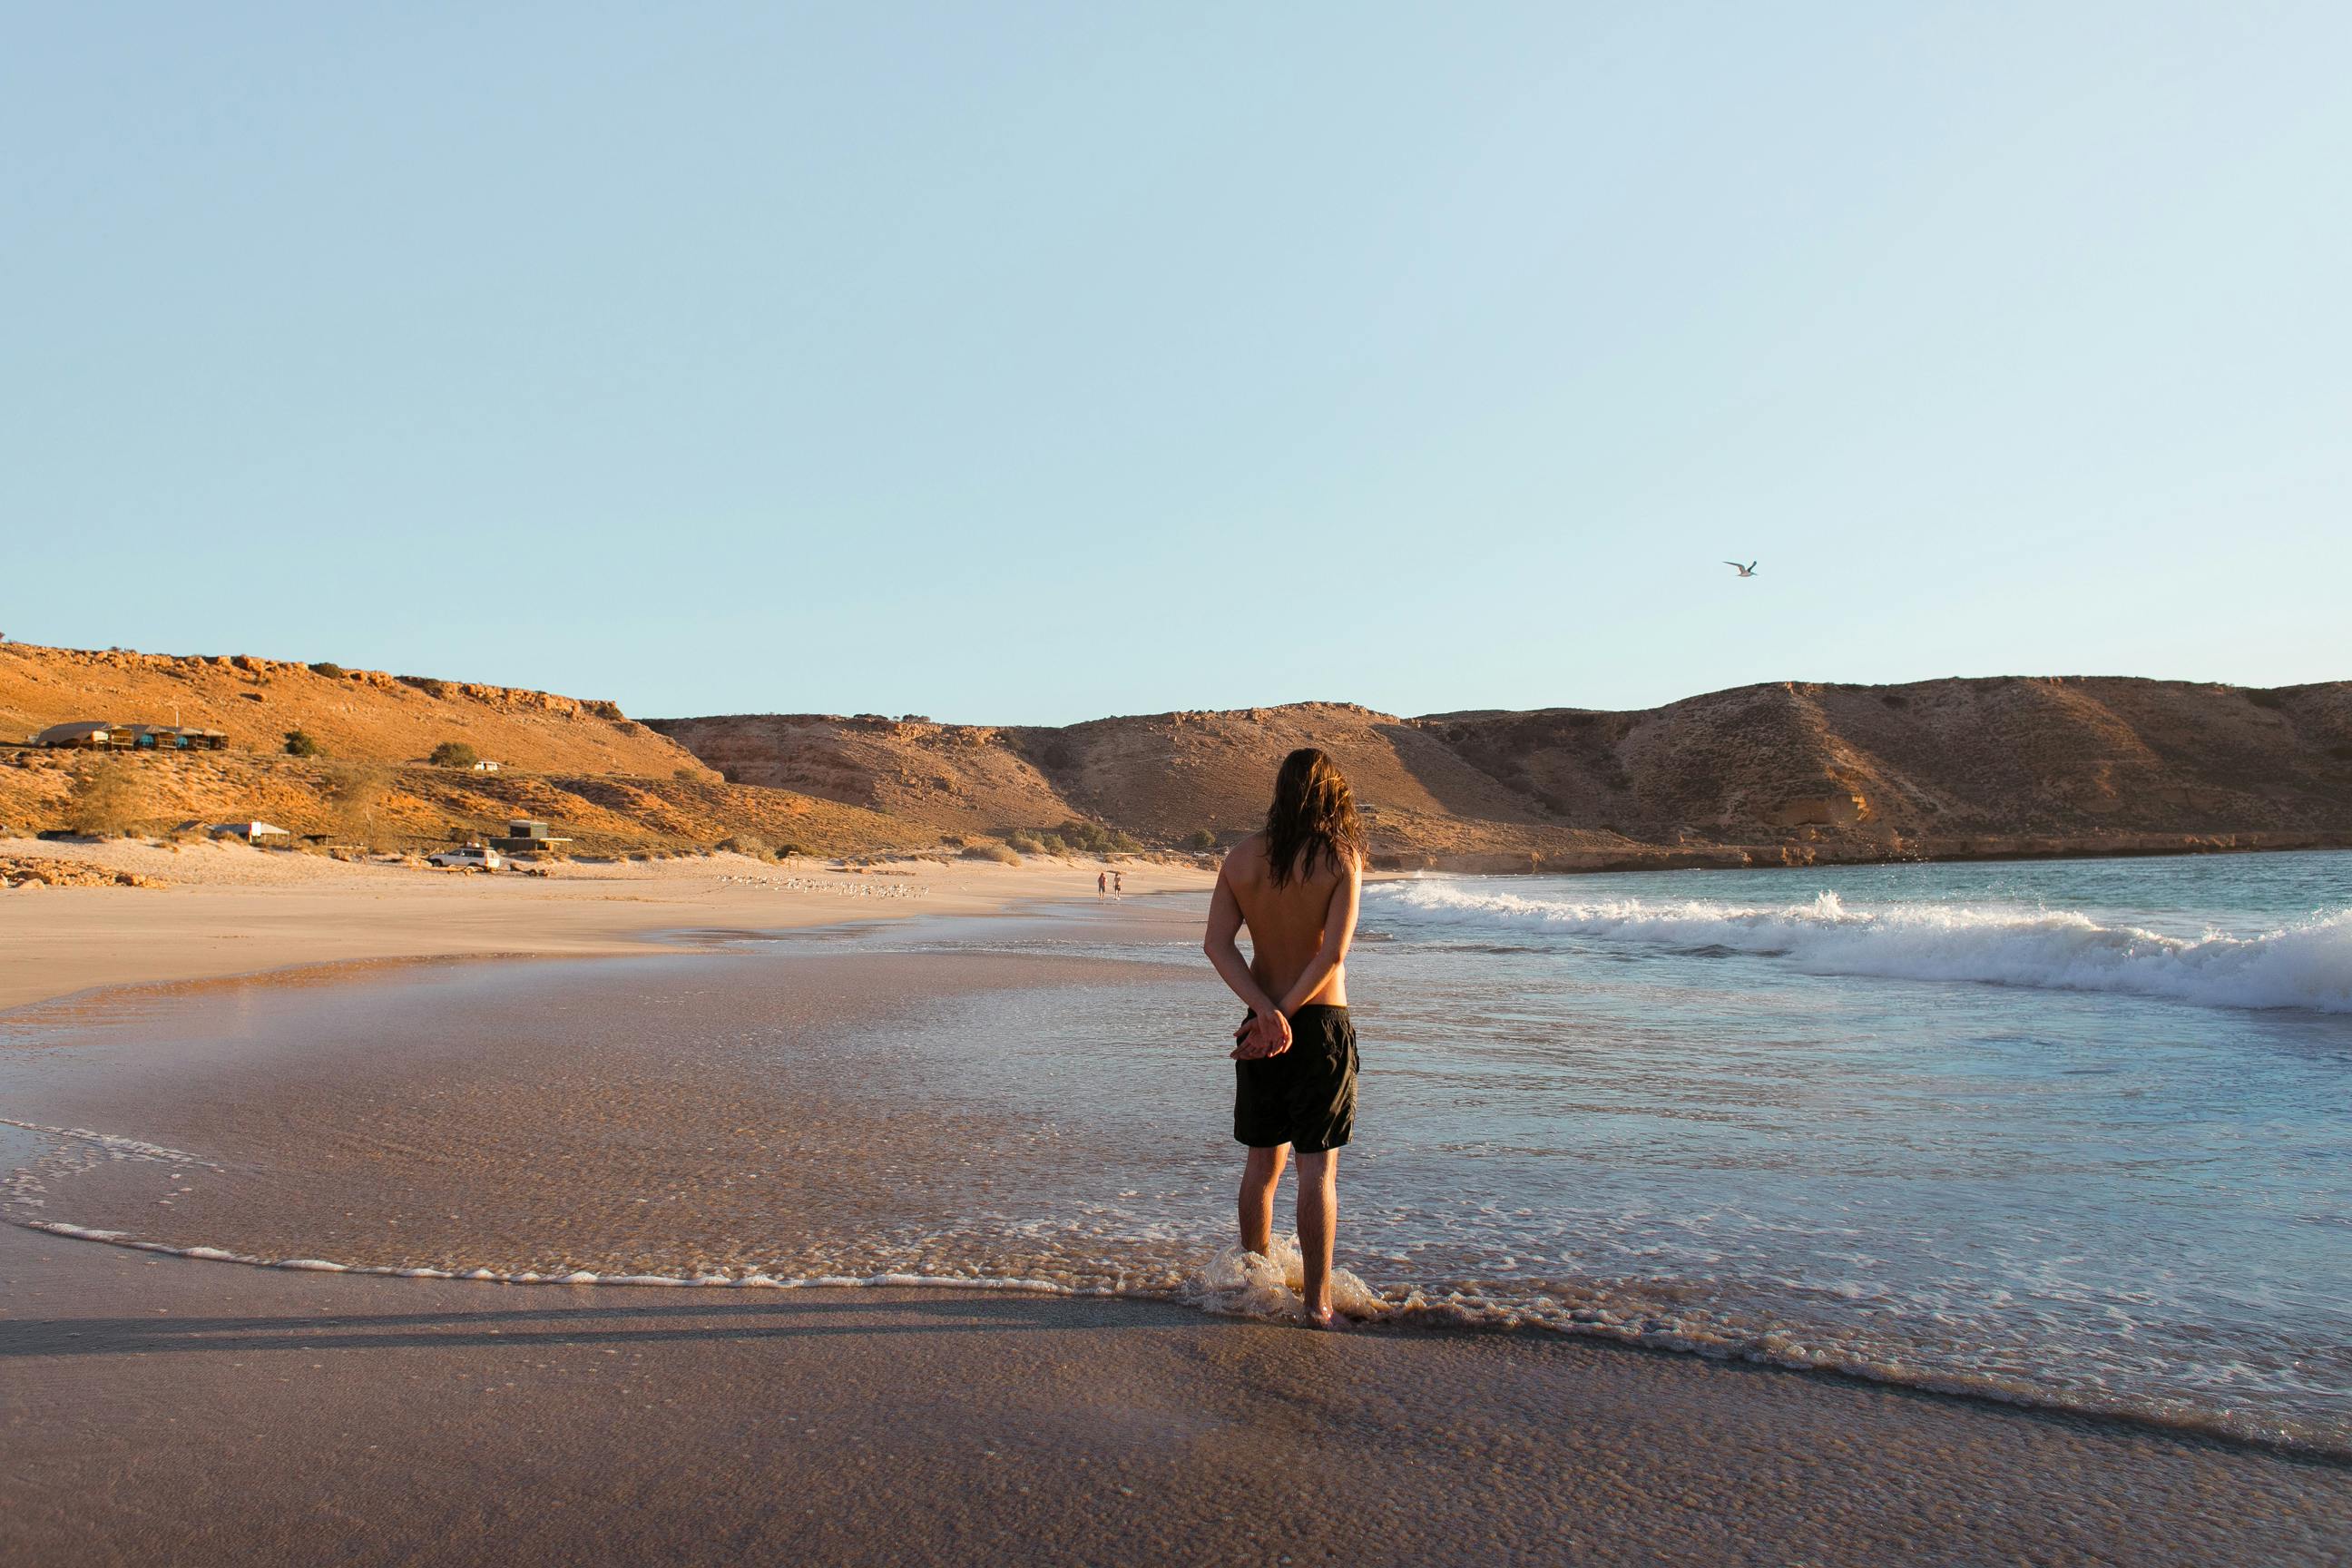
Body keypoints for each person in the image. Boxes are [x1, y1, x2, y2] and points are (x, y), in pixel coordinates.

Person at [1201, 746, 1366, 1328]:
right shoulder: (1340, 857)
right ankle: (1317, 1305)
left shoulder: (1242, 858)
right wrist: (1287, 1015)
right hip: (1317, 1025)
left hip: (1260, 1021)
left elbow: (1217, 945)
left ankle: (1254, 1284)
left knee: (1261, 1166)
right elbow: (1333, 953)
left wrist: (1265, 1011)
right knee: (1316, 1170)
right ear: (1332, 794)